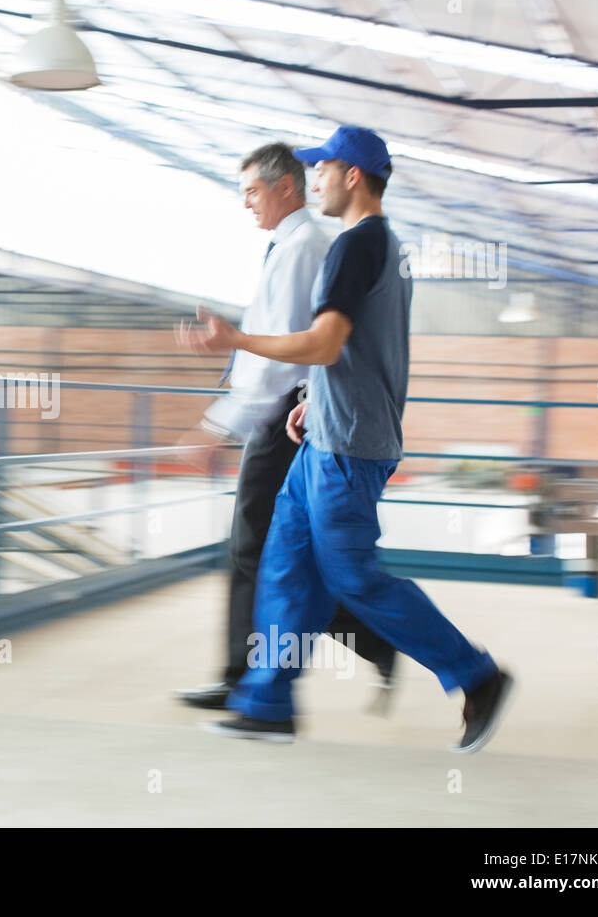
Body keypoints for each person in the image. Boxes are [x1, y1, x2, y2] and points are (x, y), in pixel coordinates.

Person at [178, 126, 513, 753]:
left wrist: (237, 341)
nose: (316, 180)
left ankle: (479, 676)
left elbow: (325, 343)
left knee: (353, 579)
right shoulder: (373, 245)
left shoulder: (356, 245)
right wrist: (312, 398)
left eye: (323, 168)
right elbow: (350, 353)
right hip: (325, 437)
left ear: (352, 175)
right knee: (284, 570)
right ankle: (267, 702)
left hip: (350, 448)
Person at [174, 143, 398, 713]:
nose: (246, 202)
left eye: (252, 190)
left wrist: (215, 427)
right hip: (284, 413)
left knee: (253, 551)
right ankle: (372, 639)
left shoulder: (304, 249)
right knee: (289, 555)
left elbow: (289, 357)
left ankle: (242, 680)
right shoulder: (290, 247)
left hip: (282, 416)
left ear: (285, 188)